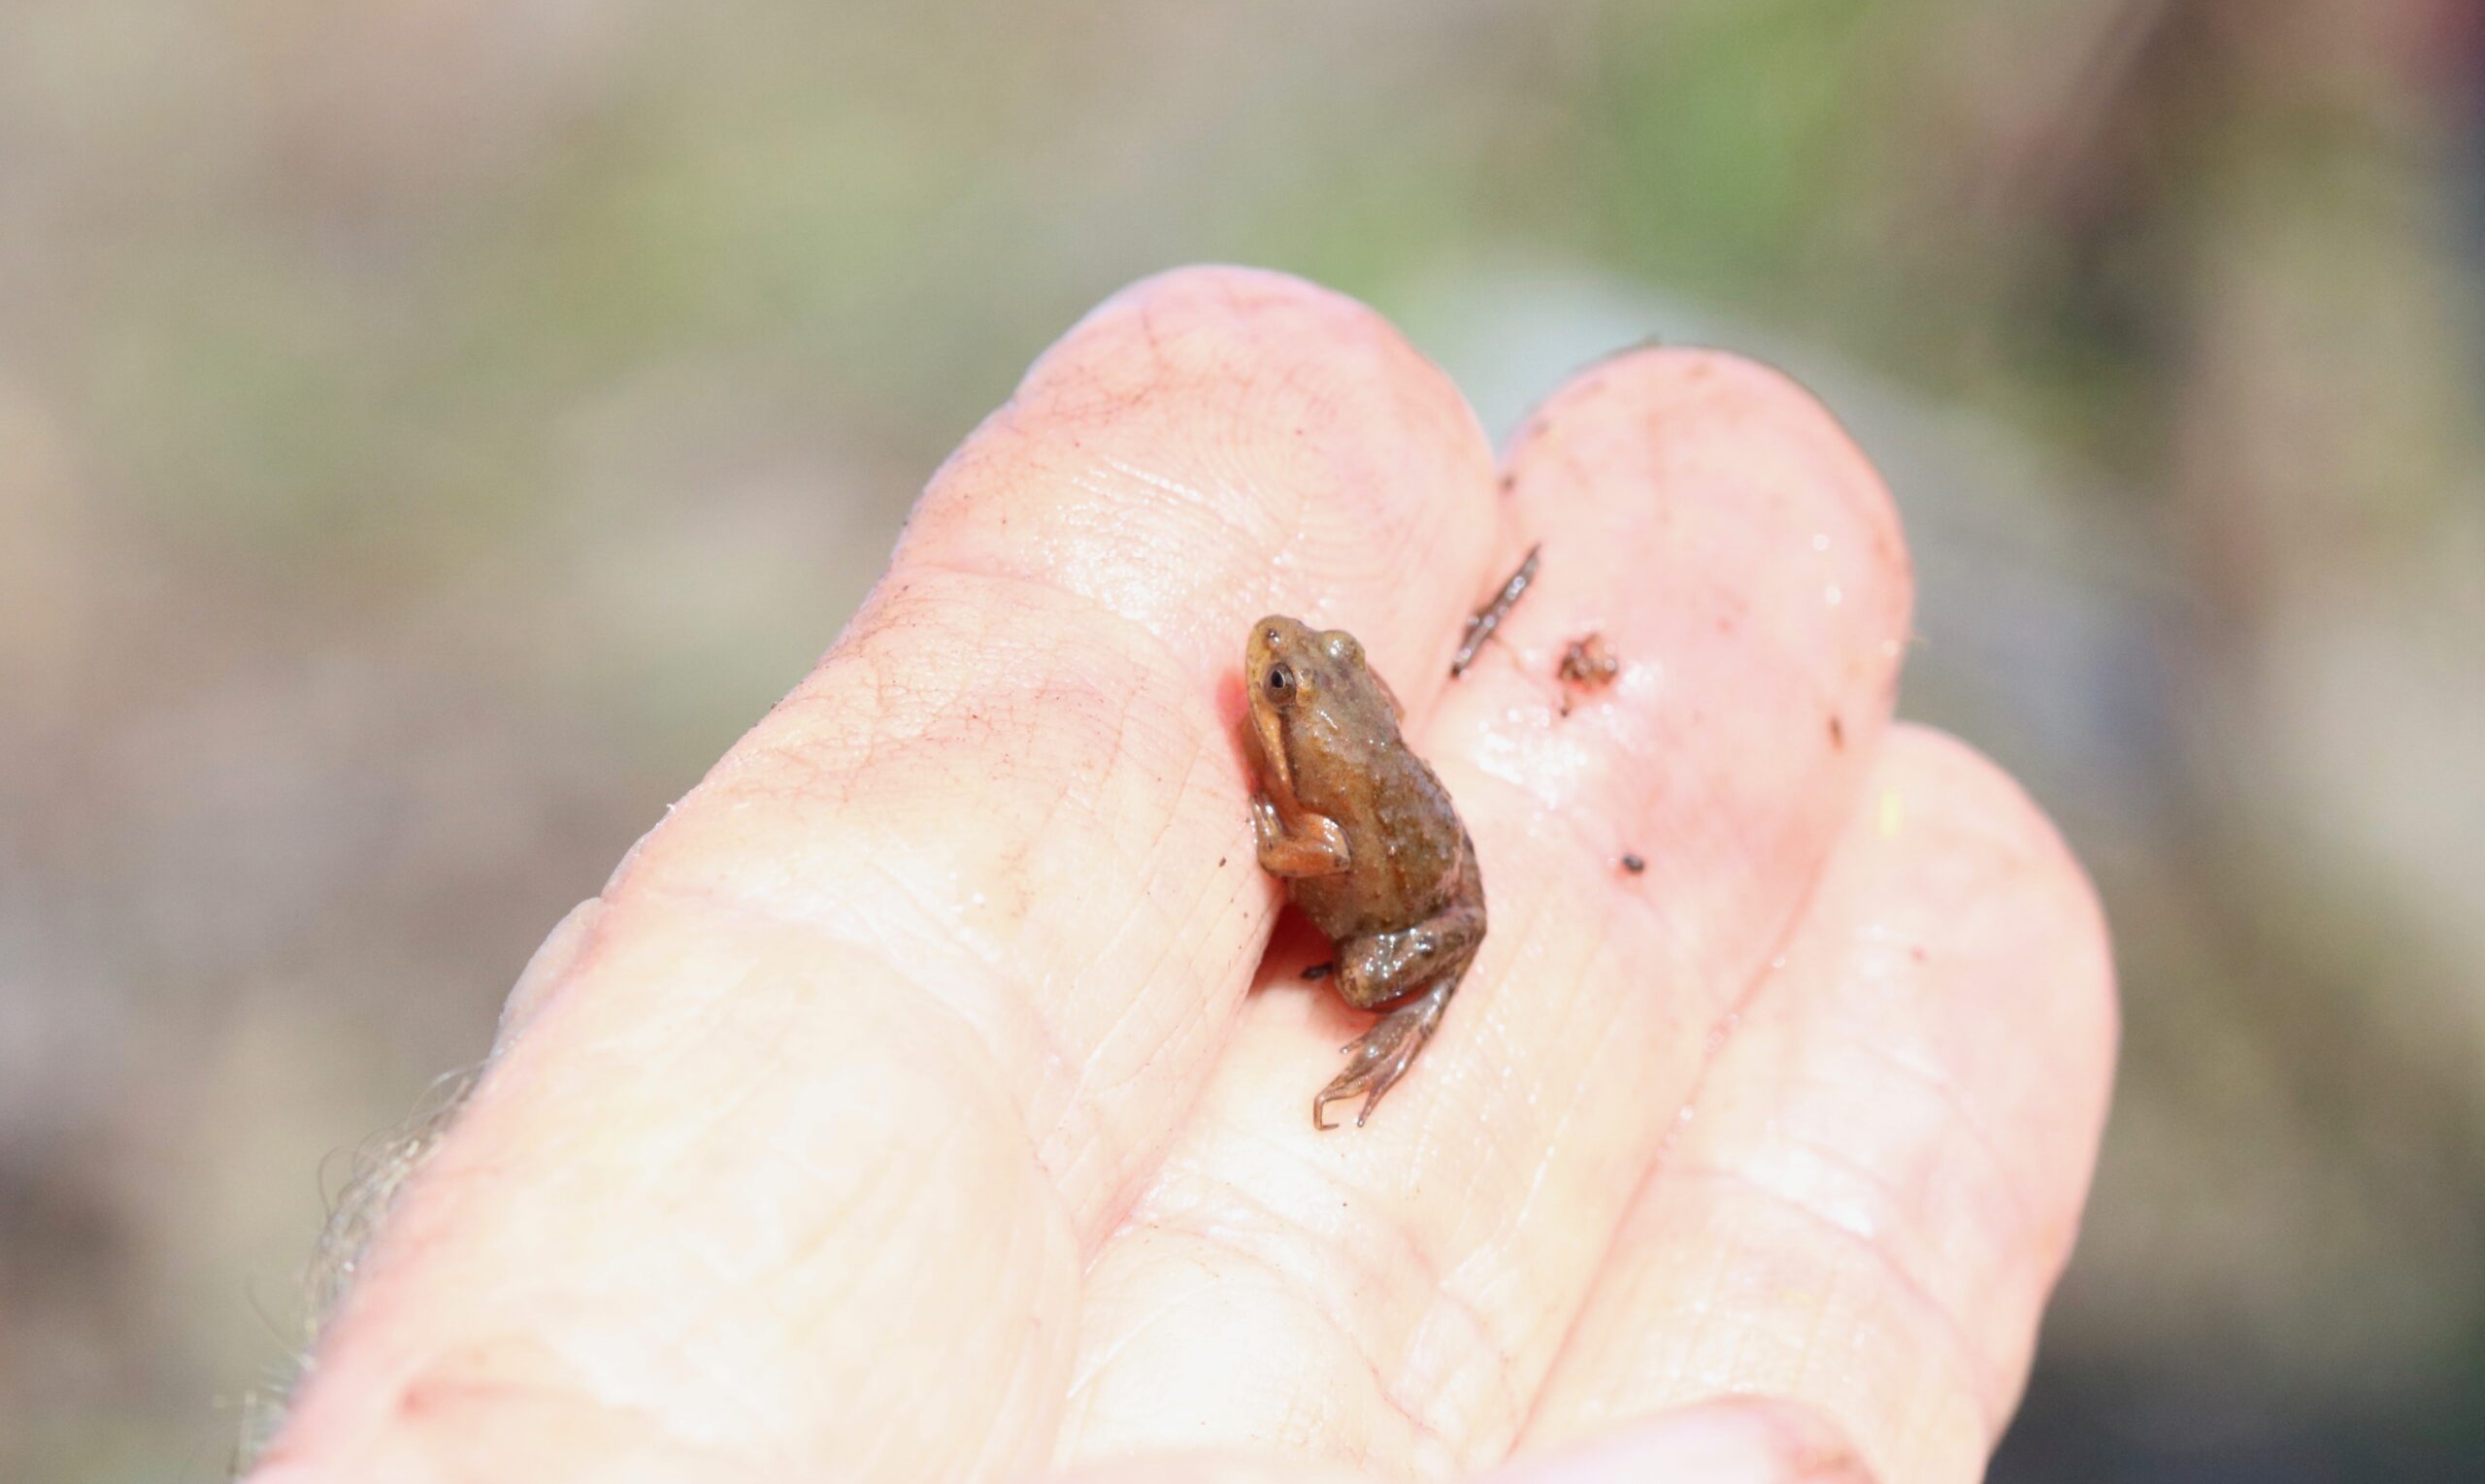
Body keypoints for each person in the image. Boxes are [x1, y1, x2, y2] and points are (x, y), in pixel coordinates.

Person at [247, 268, 2115, 1484]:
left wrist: (1303, 863)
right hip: (1436, 855)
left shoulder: (1313, 771)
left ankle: (1390, 1047)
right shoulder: (1327, 721)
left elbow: (1338, 854)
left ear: (1326, 705)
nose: (1271, 675)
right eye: (1288, 666)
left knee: (1397, 950)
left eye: (1291, 677)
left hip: (1420, 899)